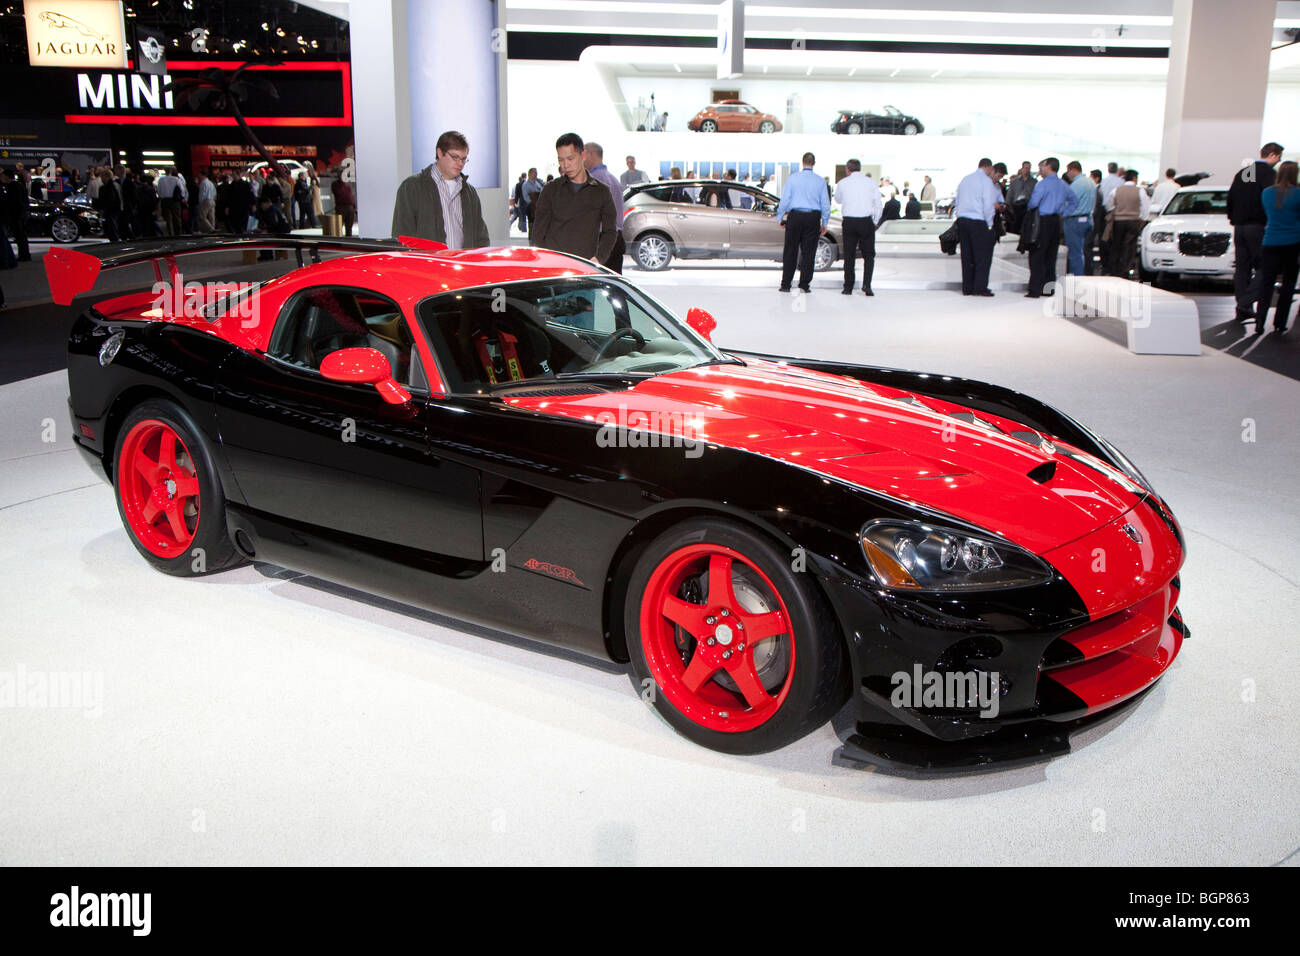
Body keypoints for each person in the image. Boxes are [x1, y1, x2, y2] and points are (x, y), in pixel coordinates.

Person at [391, 130, 490, 249]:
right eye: (455, 157)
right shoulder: (411, 188)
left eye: (464, 159)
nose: (460, 163)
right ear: (439, 153)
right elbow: (402, 237)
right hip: (428, 265)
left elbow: (481, 237)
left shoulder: (470, 192)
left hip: (462, 265)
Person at [530, 132, 617, 263]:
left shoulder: (601, 192)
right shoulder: (550, 190)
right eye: (561, 160)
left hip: (584, 268)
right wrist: (543, 261)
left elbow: (610, 231)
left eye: (570, 159)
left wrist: (599, 259)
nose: (565, 165)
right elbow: (538, 233)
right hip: (553, 267)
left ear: (583, 155)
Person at [1228, 142, 1284, 322]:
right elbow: (1272, 201)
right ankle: (1245, 302)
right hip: (1258, 227)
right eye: (1279, 157)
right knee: (1266, 267)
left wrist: (1233, 219)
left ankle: (1242, 308)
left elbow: (1231, 198)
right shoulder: (1270, 174)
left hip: (1239, 227)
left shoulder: (1243, 172)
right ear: (1274, 155)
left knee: (1242, 268)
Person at [1253, 160, 1300, 335]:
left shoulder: (1266, 193)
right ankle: (1280, 322)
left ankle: (1260, 321)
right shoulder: (1298, 194)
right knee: (1288, 284)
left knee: (1266, 284)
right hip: (1293, 243)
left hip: (1270, 241)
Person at [775, 152, 830, 293]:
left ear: (802, 162)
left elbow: (785, 199)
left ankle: (786, 284)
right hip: (812, 218)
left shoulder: (793, 179)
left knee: (790, 251)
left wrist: (780, 217)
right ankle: (804, 285)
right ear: (814, 163)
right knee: (809, 252)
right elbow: (825, 204)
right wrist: (824, 222)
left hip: (795, 217)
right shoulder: (820, 181)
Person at [1023, 157, 1071, 297]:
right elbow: (1074, 200)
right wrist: (1064, 213)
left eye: (1041, 167)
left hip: (1041, 222)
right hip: (1056, 222)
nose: (1040, 170)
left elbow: (1033, 203)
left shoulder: (1042, 184)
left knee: (1037, 255)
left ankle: (1035, 289)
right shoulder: (1063, 184)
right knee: (1051, 256)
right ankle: (1048, 289)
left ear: (1048, 166)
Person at [833, 159, 882, 296]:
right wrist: (875, 221)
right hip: (866, 222)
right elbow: (878, 204)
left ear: (848, 169)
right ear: (860, 168)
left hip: (849, 222)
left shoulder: (843, 183)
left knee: (849, 255)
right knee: (869, 255)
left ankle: (848, 287)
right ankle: (867, 285)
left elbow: (837, 199)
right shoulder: (871, 183)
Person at [954, 158, 1001, 296]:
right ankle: (980, 287)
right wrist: (990, 224)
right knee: (982, 257)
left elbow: (957, 200)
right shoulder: (986, 182)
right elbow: (988, 204)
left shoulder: (965, 179)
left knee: (967, 256)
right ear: (989, 168)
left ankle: (967, 288)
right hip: (978, 221)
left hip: (963, 220)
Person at [582, 140, 627, 272]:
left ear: (590, 155)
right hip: (616, 238)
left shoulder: (594, 180)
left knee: (595, 281)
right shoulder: (613, 179)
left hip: (601, 239)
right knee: (613, 282)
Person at [1104, 169, 1150, 277]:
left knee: (1116, 244)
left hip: (1118, 221)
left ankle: (1114, 269)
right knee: (1129, 245)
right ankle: (1125, 269)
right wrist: (1143, 219)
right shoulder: (1140, 191)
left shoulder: (1116, 190)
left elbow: (1109, 205)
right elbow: (1145, 206)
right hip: (1133, 221)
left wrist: (1117, 211)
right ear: (1134, 179)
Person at [1062, 161, 1096, 277]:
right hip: (1088, 219)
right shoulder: (1091, 182)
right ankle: (1084, 275)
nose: (1068, 174)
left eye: (1068, 171)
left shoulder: (1077, 184)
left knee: (1075, 253)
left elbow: (1068, 203)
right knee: (1083, 251)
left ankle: (1077, 279)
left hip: (1075, 221)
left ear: (1072, 169)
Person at [0, 167, 32, 260]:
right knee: (21, 236)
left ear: (6, 176)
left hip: (16, 215)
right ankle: (25, 254)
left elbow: (14, 202)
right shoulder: (19, 185)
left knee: (19, 236)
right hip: (21, 214)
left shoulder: (12, 186)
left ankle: (24, 255)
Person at [1006, 161, 1037, 234]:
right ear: (1022, 168)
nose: (1027, 170)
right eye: (1025, 168)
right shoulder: (1015, 181)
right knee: (1015, 226)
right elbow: (1010, 194)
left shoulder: (1034, 182)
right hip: (1016, 207)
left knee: (1026, 227)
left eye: (1029, 168)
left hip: (1027, 207)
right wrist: (1008, 206)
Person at [155, 166, 187, 237]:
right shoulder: (176, 179)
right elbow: (182, 190)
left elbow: (158, 190)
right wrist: (182, 198)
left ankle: (170, 233)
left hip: (165, 200)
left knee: (168, 218)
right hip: (175, 201)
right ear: (171, 171)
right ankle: (178, 233)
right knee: (176, 217)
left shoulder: (161, 180)